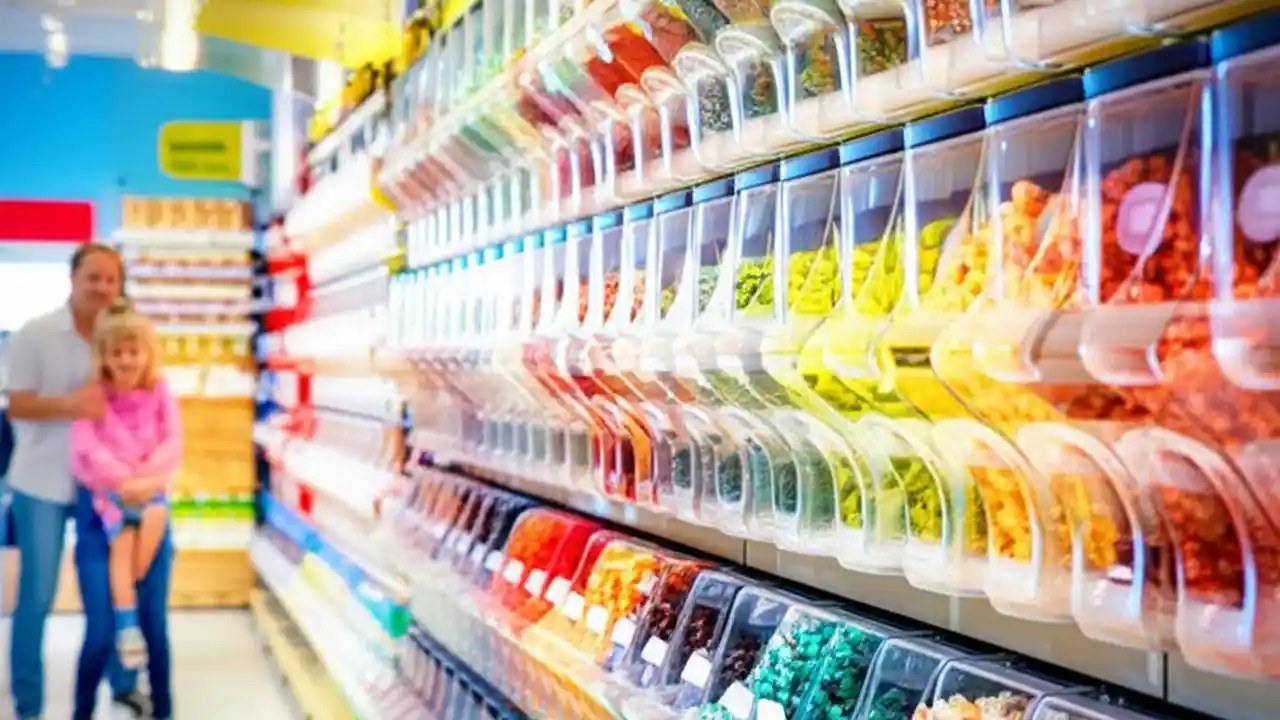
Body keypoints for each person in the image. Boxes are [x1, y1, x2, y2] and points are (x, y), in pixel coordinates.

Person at [3, 243, 167, 719]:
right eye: (93, 277)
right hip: (44, 482)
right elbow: (17, 405)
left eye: (111, 279)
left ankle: (123, 685)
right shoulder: (36, 334)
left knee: (114, 589)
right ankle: (28, 704)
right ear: (73, 278)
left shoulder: (123, 336)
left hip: (105, 487)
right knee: (37, 596)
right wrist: (71, 405)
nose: (102, 287)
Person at [70, 302, 179, 669]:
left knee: (155, 521)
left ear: (148, 353)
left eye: (134, 352)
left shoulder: (159, 390)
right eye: (117, 353)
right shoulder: (94, 393)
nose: (127, 360)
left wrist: (147, 476)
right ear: (104, 356)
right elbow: (86, 445)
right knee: (123, 539)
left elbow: (174, 440)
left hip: (149, 485)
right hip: (111, 489)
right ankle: (127, 623)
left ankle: (127, 590)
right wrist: (123, 480)